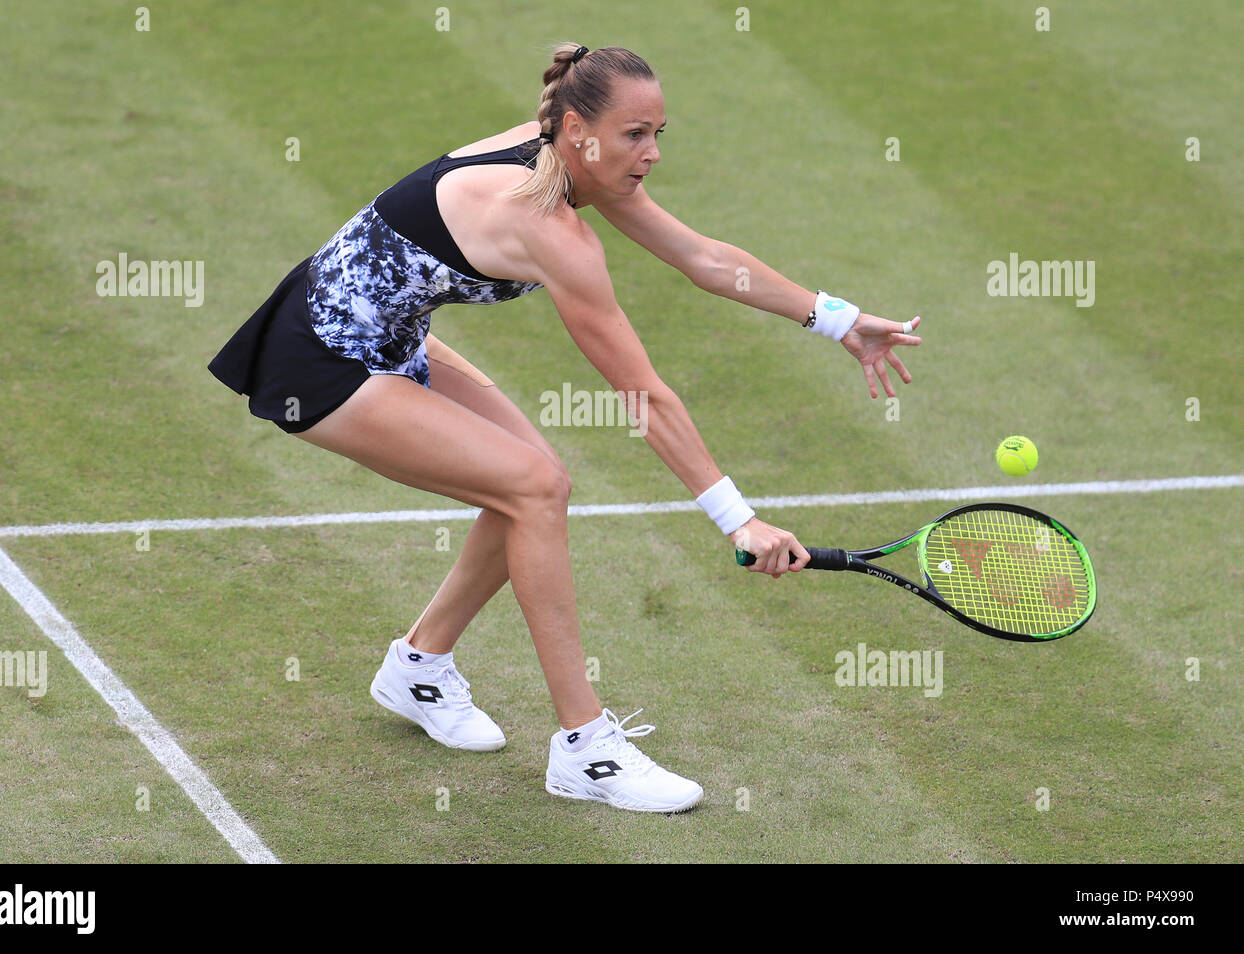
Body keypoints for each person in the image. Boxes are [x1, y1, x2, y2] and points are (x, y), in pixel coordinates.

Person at [208, 42, 921, 814]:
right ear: (579, 129)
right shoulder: (550, 229)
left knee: (531, 481)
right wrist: (736, 518)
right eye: (635, 135)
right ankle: (585, 748)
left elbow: (704, 258)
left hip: (390, 335)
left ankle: (418, 667)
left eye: (657, 133)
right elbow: (643, 394)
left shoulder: (567, 152)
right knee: (534, 486)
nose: (650, 154)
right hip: (318, 358)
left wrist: (838, 320)